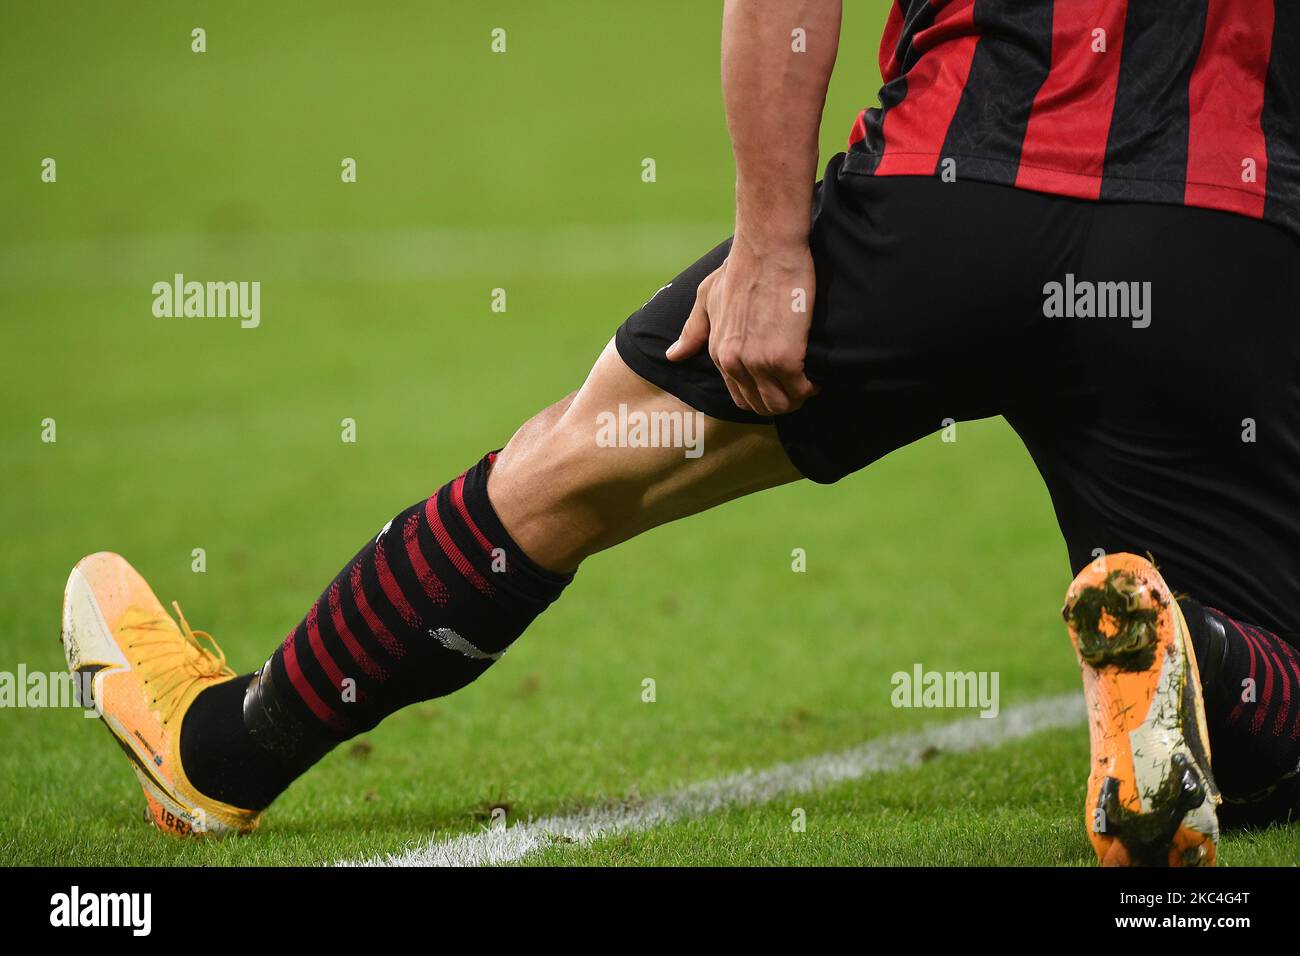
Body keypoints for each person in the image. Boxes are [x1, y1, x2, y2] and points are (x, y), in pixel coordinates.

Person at [61, 0, 1300, 866]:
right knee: (1270, 683)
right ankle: (1194, 659)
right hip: (1211, 236)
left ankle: (225, 751)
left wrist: (770, 242)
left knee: (567, 472)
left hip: (944, 212)